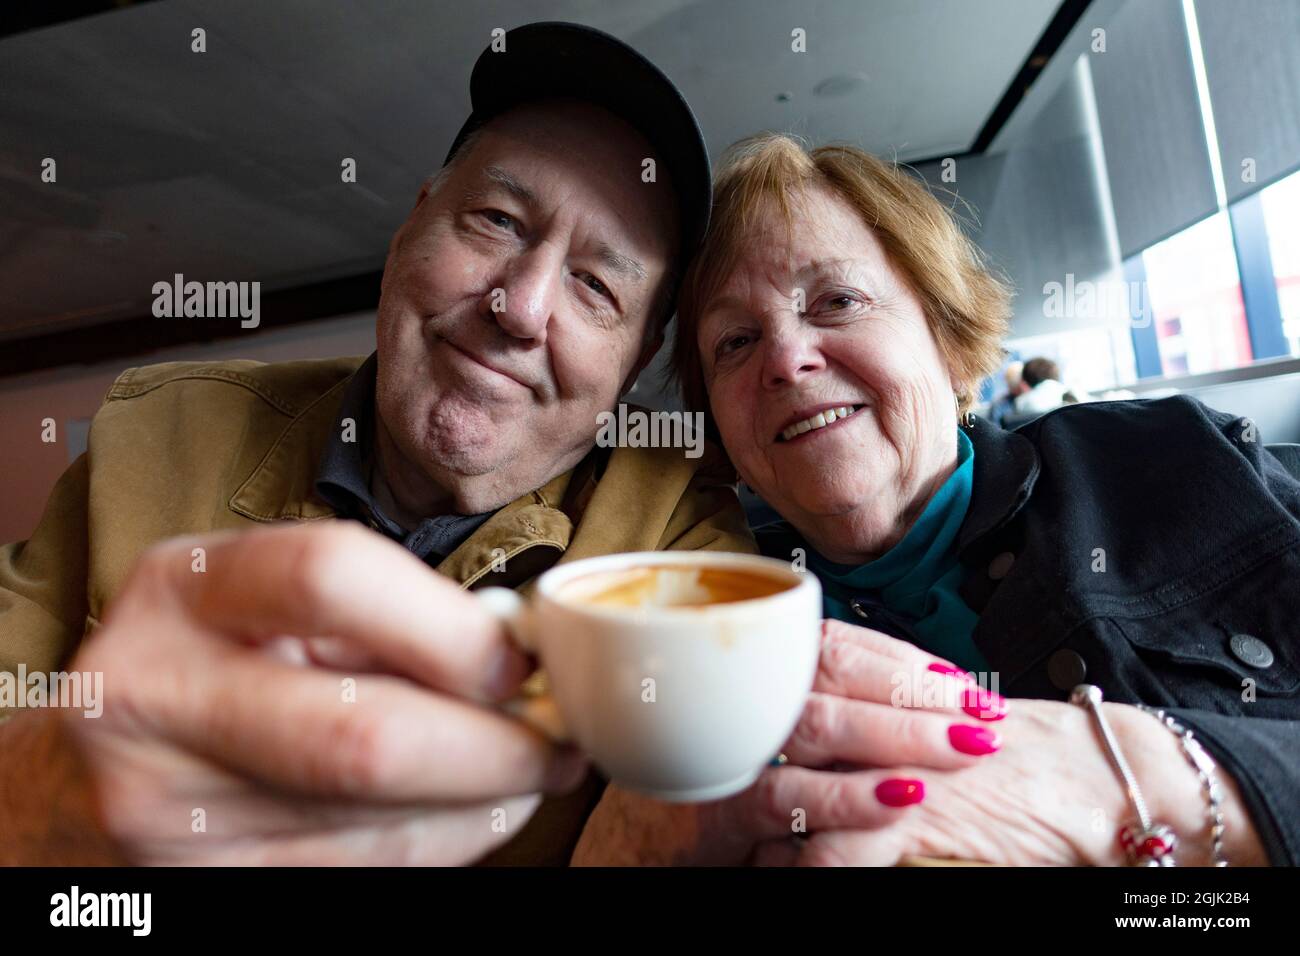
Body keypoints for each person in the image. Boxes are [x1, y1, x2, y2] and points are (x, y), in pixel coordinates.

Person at [0, 23, 752, 866]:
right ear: (410, 229)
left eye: (594, 284)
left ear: (637, 360)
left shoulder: (684, 545)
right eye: (498, 220)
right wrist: (41, 795)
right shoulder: (154, 428)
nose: (523, 306)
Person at [575, 133, 1298, 866]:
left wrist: (1137, 773)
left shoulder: (1175, 459)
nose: (786, 360)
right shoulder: (707, 608)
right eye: (734, 341)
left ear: (948, 337)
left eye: (837, 300)